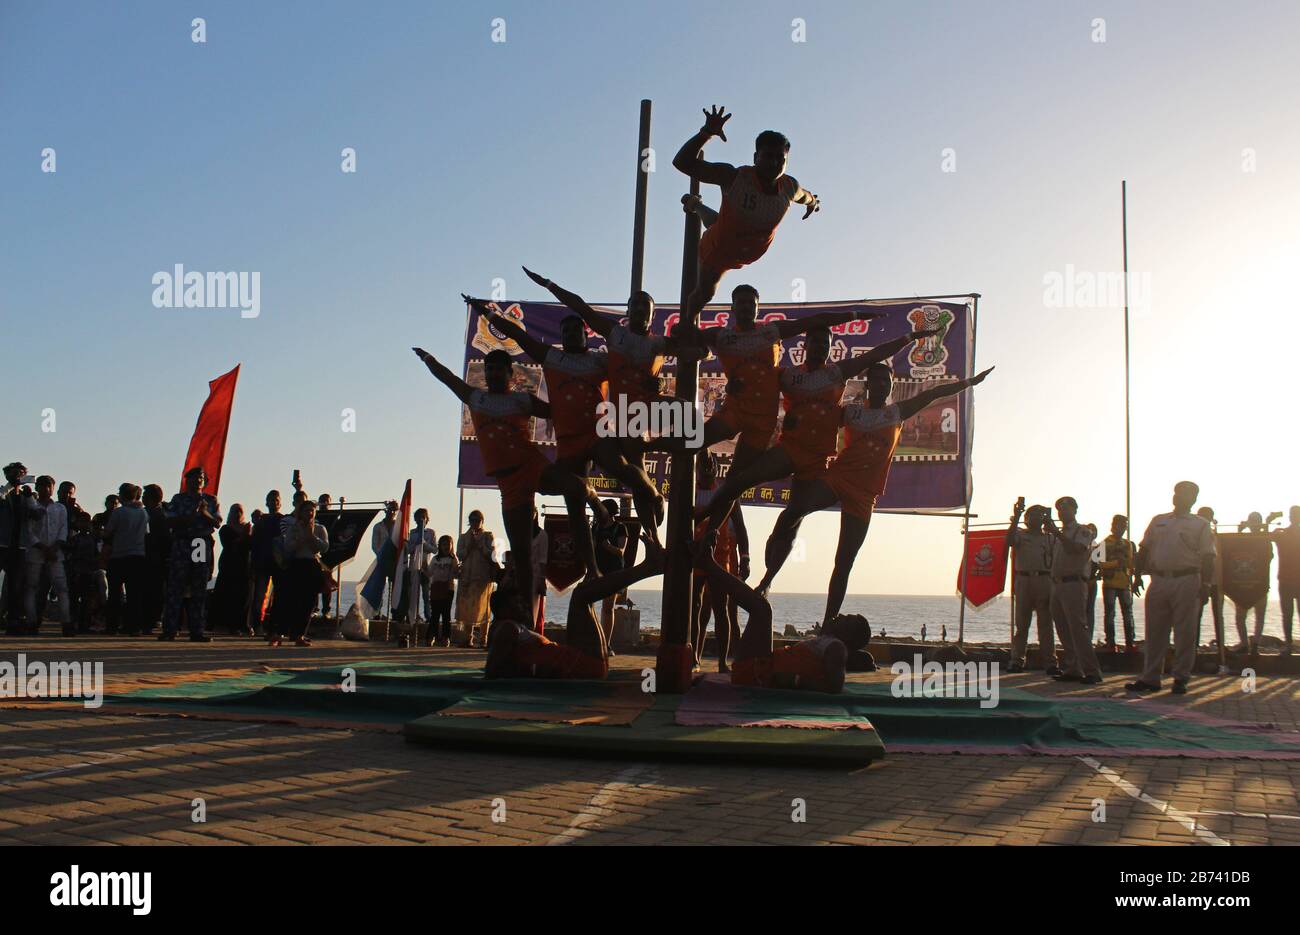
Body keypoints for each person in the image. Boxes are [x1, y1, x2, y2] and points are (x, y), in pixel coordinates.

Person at [750, 364, 993, 627]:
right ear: (868, 385)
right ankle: (767, 577)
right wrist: (793, 420)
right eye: (875, 380)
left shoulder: (895, 413)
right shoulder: (852, 412)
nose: (881, 384)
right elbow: (820, 415)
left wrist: (969, 382)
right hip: (838, 478)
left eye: (885, 381)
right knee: (795, 510)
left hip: (864, 494)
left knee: (844, 561)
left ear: (891, 386)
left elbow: (932, 394)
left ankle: (828, 623)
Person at [696, 326, 940, 538]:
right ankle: (708, 525)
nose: (822, 347)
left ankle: (768, 576)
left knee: (795, 517)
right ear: (805, 345)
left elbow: (874, 356)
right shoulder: (789, 375)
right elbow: (756, 378)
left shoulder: (837, 373)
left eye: (827, 343)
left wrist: (908, 337)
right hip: (790, 449)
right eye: (817, 341)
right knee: (740, 480)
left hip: (817, 460)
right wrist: (733, 383)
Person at [413, 346, 603, 607]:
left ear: (510, 374)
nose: (493, 374)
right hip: (509, 486)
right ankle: (525, 612)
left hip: (531, 465)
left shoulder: (522, 400)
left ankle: (597, 512)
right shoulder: (476, 398)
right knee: (521, 553)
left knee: (576, 488)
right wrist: (428, 359)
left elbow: (557, 411)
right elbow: (448, 378)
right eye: (489, 369)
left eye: (498, 370)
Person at [481, 300, 661, 542]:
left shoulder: (600, 361)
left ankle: (653, 493)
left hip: (597, 432)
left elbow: (632, 370)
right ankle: (592, 568)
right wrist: (488, 315)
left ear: (586, 335)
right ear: (561, 336)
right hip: (567, 442)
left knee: (620, 468)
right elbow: (517, 334)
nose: (571, 335)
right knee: (574, 508)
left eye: (576, 331)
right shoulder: (551, 357)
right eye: (566, 332)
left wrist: (654, 382)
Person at [520, 268, 694, 466]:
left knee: (688, 414)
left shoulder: (660, 343)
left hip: (648, 406)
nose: (639, 308)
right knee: (638, 478)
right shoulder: (615, 334)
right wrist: (549, 285)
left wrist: (664, 381)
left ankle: (679, 453)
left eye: (645, 305)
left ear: (653, 315)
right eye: (635, 304)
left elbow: (698, 352)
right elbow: (580, 307)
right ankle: (645, 455)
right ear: (628, 312)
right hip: (624, 417)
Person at [673, 106, 820, 315]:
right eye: (768, 156)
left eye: (781, 158)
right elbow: (682, 163)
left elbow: (805, 195)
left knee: (717, 222)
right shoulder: (733, 177)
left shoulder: (789, 187)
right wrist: (706, 133)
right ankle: (686, 324)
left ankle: (695, 204)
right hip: (720, 250)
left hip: (749, 249)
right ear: (755, 157)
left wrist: (812, 203)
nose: (774, 163)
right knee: (705, 293)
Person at [694, 529, 868, 693]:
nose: (840, 616)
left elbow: (835, 685)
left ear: (848, 636)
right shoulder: (827, 642)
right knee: (761, 609)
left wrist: (797, 681)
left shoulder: (837, 647)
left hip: (760, 675)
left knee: (762, 610)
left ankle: (709, 565)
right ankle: (710, 567)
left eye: (847, 620)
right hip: (758, 668)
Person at [485, 538, 663, 680]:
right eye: (517, 603)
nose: (524, 606)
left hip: (581, 663)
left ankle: (648, 568)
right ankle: (648, 568)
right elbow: (492, 671)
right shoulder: (506, 628)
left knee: (586, 596)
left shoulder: (511, 628)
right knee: (581, 596)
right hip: (581, 667)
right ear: (504, 609)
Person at [1127, 481, 1217, 695]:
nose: (1178, 497)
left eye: (1184, 494)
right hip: (1158, 579)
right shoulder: (1159, 521)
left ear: (1193, 499)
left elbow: (1208, 558)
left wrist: (1206, 584)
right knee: (1155, 631)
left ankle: (1180, 678)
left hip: (1187, 579)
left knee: (1185, 632)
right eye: (1176, 493)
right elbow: (1144, 549)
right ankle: (1150, 678)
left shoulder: (1200, 525)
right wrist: (1137, 576)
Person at [691, 454, 747, 671]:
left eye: (710, 466)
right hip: (694, 558)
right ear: (697, 469)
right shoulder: (689, 491)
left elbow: (740, 528)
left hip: (719, 558)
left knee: (721, 610)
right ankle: (694, 656)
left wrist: (745, 557)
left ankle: (723, 662)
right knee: (695, 609)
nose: (707, 469)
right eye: (702, 466)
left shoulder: (725, 492)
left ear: (715, 469)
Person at [159, 466, 221, 642]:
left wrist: (204, 513)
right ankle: (169, 629)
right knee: (176, 587)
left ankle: (197, 630)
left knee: (198, 588)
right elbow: (170, 520)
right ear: (188, 481)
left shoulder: (210, 500)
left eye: (201, 478)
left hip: (200, 543)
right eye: (194, 478)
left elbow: (216, 523)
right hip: (182, 542)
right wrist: (191, 517)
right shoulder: (178, 499)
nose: (198, 481)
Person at [1046, 497, 1103, 685]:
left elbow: (1076, 549)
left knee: (1078, 629)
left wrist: (1056, 533)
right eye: (1060, 510)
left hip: (1074, 583)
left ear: (1075, 510)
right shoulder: (1057, 535)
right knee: (1063, 628)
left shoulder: (1083, 531)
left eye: (1066, 509)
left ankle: (1092, 670)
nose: (1062, 513)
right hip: (1057, 583)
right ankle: (1073, 668)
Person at [1007, 501, 1056, 673]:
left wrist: (1052, 526)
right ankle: (1017, 660)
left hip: (1044, 579)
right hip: (1024, 579)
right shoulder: (1020, 534)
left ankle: (1050, 662)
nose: (1036, 519)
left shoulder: (1050, 538)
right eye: (1032, 515)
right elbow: (1009, 541)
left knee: (1046, 624)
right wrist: (1016, 516)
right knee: (1022, 624)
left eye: (1039, 515)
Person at [272, 500, 328, 647]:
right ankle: (280, 634)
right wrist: (300, 540)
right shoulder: (293, 529)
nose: (309, 513)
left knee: (308, 603)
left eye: (312, 510)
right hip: (296, 565)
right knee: (290, 601)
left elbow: (324, 547)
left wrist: (311, 537)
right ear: (300, 513)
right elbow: (288, 547)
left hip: (312, 565)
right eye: (306, 510)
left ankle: (299, 635)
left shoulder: (320, 528)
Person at [102, 483, 150, 636]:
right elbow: (146, 532)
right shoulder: (143, 513)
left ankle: (112, 626)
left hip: (119, 555)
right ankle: (133, 626)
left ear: (122, 495)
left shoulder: (118, 512)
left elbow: (109, 532)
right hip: (137, 555)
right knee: (134, 594)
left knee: (115, 593)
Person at [24, 476, 69, 634]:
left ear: (52, 488)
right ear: (37, 488)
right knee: (32, 587)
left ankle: (66, 622)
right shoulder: (32, 507)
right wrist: (44, 548)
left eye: (48, 486)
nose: (45, 489)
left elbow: (63, 530)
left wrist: (54, 548)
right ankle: (31, 621)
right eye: (42, 486)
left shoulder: (60, 508)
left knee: (61, 587)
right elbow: (29, 531)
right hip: (36, 551)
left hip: (55, 552)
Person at [1, 462, 36, 634]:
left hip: (20, 545)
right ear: (7, 475)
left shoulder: (27, 496)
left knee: (15, 585)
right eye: (15, 474)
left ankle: (13, 620)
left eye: (21, 474)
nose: (18, 477)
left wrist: (29, 497)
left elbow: (37, 514)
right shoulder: (3, 492)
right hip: (2, 543)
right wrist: (10, 486)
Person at [456, 510, 497, 648]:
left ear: (482, 520)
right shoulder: (463, 537)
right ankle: (468, 638)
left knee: (484, 607)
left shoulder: (487, 536)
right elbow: (459, 554)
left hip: (483, 577)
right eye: (472, 520)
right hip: (467, 576)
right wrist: (469, 547)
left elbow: (493, 554)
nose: (475, 523)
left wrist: (481, 547)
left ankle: (483, 638)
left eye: (477, 520)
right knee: (468, 608)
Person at [1234, 512, 1273, 653]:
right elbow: (1232, 551)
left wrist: (1265, 528)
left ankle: (1254, 644)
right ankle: (1246, 644)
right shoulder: (1246, 538)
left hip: (1260, 583)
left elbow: (1269, 555)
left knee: (1258, 616)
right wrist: (1239, 531)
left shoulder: (1264, 538)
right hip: (1242, 583)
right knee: (1241, 616)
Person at [592, 498, 629, 650]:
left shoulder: (620, 528)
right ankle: (594, 639)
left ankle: (606, 644)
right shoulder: (595, 528)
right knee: (591, 606)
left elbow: (621, 551)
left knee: (608, 608)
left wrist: (608, 547)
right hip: (597, 570)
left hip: (613, 572)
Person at [1098, 514, 1139, 653]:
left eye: (1125, 526)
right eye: (1121, 525)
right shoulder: (1105, 543)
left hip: (1124, 583)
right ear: (1114, 525)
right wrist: (1116, 563)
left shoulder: (1128, 544)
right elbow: (1100, 564)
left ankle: (1129, 643)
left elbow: (1131, 564)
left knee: (1128, 613)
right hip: (1110, 582)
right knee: (1110, 613)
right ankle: (1110, 643)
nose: (1122, 528)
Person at [212, 503, 253, 636]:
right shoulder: (226, 528)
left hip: (243, 566)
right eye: (235, 511)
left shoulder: (248, 528)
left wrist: (249, 535)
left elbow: (251, 546)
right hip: (229, 565)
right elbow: (230, 544)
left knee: (243, 596)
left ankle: (242, 625)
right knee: (227, 595)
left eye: (240, 511)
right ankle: (225, 624)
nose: (237, 514)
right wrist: (244, 535)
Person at [248, 490, 285, 636]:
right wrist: (252, 563)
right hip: (262, 562)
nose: (274, 503)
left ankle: (275, 627)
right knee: (259, 596)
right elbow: (254, 542)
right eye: (271, 500)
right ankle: (257, 625)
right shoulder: (261, 520)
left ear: (280, 503)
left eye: (276, 500)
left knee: (279, 596)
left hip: (278, 563)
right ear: (266, 502)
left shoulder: (283, 519)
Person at [1196, 505, 1228, 651]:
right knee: (1196, 615)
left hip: (1216, 581)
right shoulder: (1195, 534)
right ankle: (1193, 647)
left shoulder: (1215, 535)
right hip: (1199, 580)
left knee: (1218, 616)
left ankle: (1221, 647)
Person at [1270, 506, 1300, 655]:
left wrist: (1269, 521)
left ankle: (1288, 644)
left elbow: (1266, 536)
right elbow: (1267, 537)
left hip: (1287, 580)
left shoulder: (1282, 534)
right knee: (1287, 614)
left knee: (1287, 614)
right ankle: (1288, 644)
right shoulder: (1282, 534)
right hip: (1286, 580)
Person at [141, 484, 170, 634]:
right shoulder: (150, 513)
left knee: (154, 590)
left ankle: (152, 619)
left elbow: (163, 538)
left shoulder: (158, 515)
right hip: (149, 556)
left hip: (154, 557)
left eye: (145, 495)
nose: (142, 497)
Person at [426, 535, 459, 647]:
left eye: (448, 544)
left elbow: (456, 574)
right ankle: (432, 636)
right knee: (434, 614)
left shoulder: (453, 559)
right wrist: (423, 568)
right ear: (440, 546)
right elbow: (429, 573)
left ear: (451, 546)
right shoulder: (435, 559)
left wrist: (458, 568)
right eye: (443, 544)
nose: (446, 547)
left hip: (448, 588)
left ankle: (446, 637)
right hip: (436, 588)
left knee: (446, 615)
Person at [370, 500, 399, 617]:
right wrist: (381, 555)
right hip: (381, 560)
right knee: (379, 587)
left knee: (394, 588)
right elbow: (374, 544)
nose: (391, 512)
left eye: (394, 509)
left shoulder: (399, 526)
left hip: (394, 561)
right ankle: (377, 612)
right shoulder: (378, 526)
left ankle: (394, 612)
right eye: (389, 509)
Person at [529, 510, 548, 633]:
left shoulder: (542, 535)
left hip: (536, 576)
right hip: (521, 574)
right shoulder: (520, 533)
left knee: (534, 608)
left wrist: (542, 579)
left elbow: (543, 559)